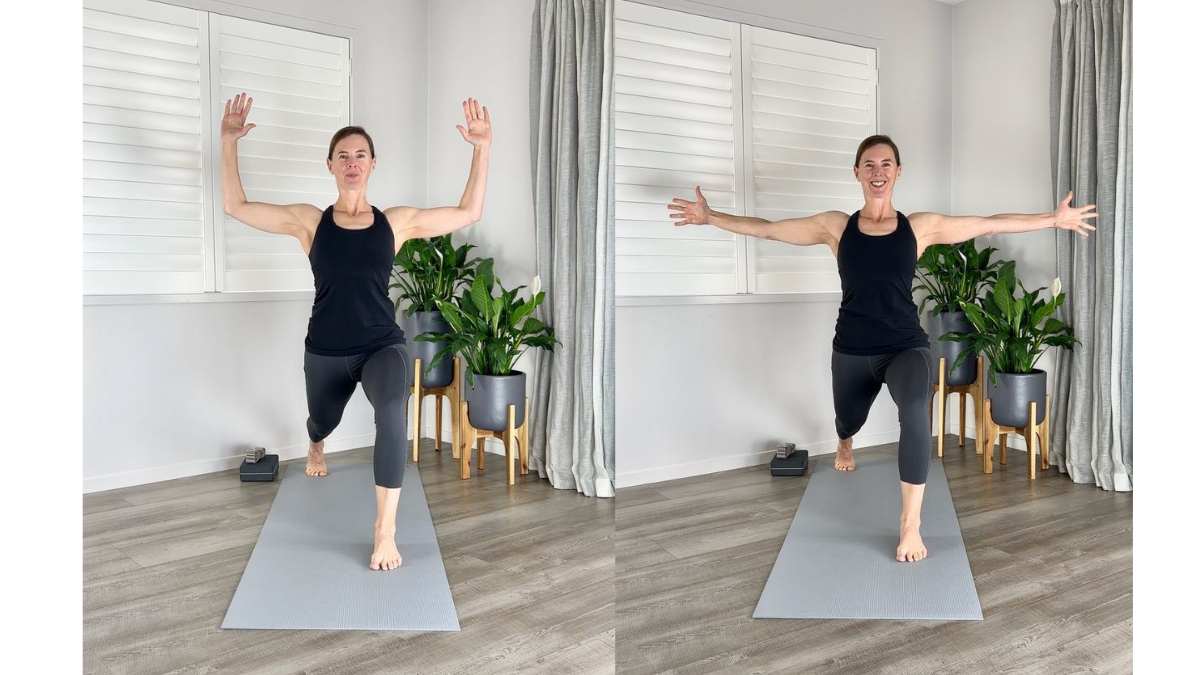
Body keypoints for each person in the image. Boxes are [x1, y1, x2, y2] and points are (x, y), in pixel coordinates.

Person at [667, 134, 1095, 562]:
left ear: (898, 172)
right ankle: (845, 441)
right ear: (856, 173)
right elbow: (768, 229)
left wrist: (1051, 220)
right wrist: (712, 217)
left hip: (904, 345)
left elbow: (987, 222)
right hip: (851, 349)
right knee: (846, 418)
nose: (878, 172)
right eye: (869, 165)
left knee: (914, 409)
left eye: (886, 164)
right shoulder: (836, 227)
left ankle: (910, 525)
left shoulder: (919, 228)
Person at [220, 92, 492, 571]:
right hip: (325, 350)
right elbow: (236, 206)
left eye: (359, 155)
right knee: (321, 419)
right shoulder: (309, 222)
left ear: (372, 164)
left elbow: (468, 212)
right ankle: (316, 441)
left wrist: (481, 147)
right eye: (342, 156)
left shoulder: (395, 223)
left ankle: (384, 530)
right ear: (330, 165)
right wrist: (228, 142)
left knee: (392, 408)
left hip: (379, 344)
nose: (352, 163)